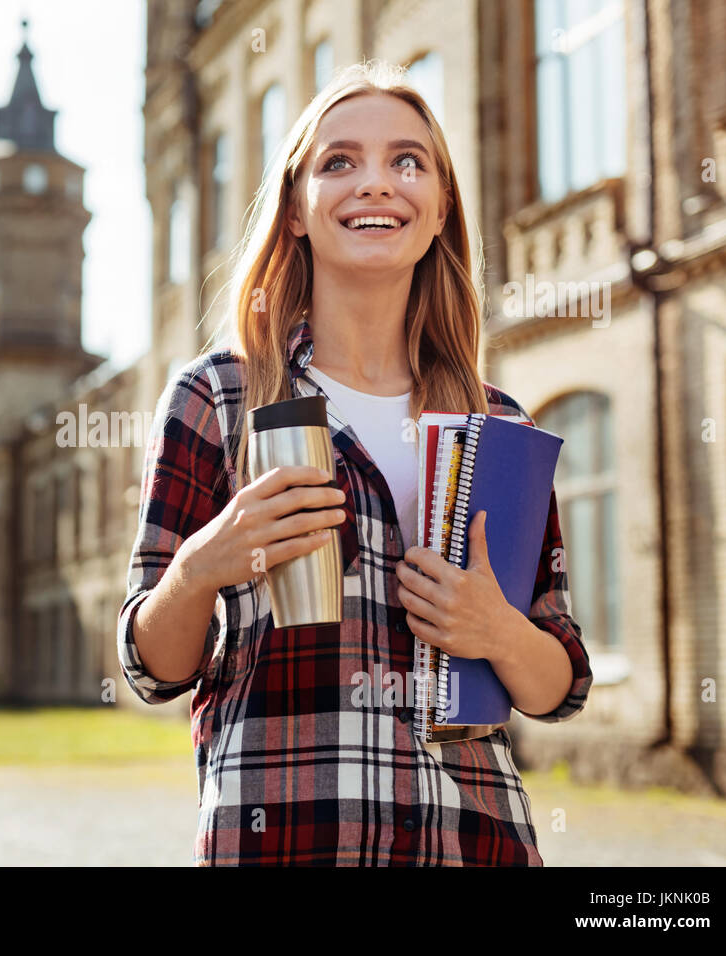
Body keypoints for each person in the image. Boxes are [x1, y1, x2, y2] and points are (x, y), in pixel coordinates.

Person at [118, 61, 593, 866]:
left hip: (471, 842)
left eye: (409, 162)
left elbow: (558, 684)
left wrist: (496, 631)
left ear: (440, 208)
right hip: (286, 839)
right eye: (340, 162)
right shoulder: (220, 398)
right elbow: (152, 668)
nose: (377, 183)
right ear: (297, 210)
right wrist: (201, 568)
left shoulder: (497, 425)